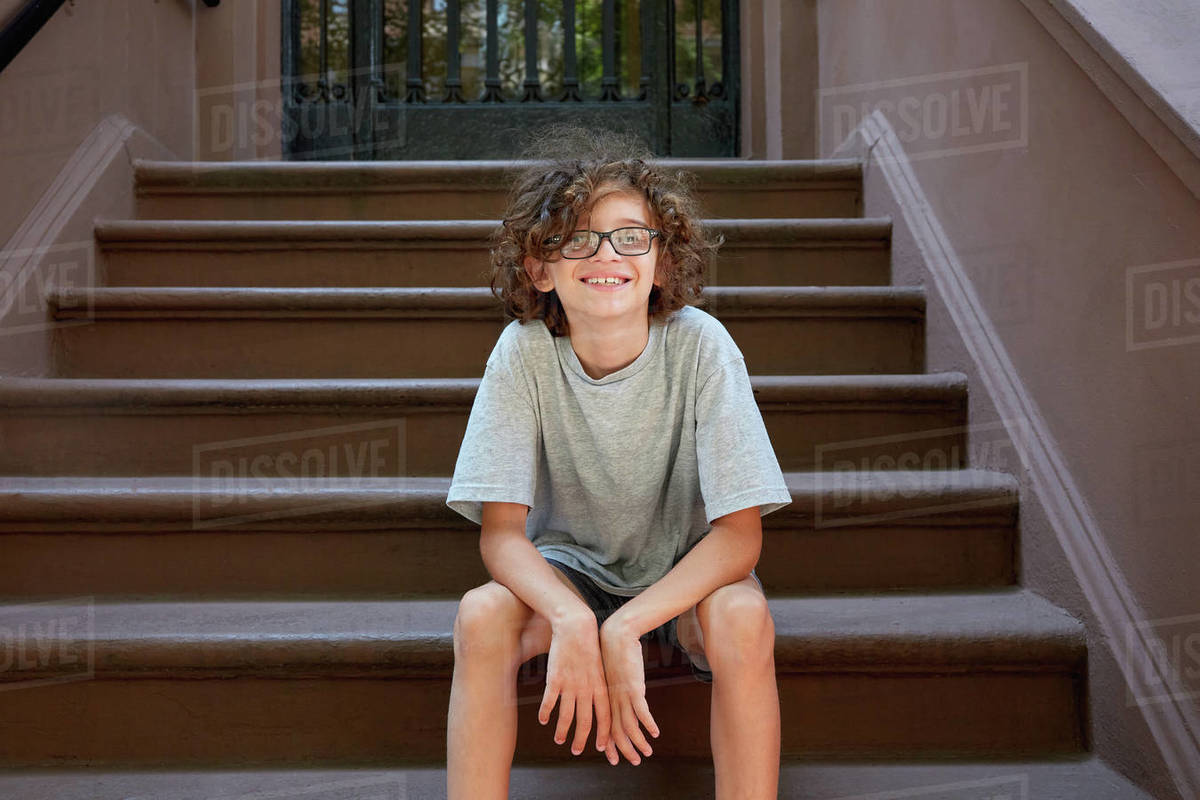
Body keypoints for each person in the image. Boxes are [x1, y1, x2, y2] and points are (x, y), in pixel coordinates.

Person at [445, 125, 792, 799]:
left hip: (685, 575)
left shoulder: (702, 348)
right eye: (576, 237)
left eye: (632, 235)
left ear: (662, 262)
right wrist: (576, 619)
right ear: (538, 267)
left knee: (744, 617)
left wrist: (627, 624)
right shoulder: (522, 352)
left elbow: (740, 537)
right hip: (570, 573)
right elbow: (502, 536)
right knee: (480, 615)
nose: (606, 254)